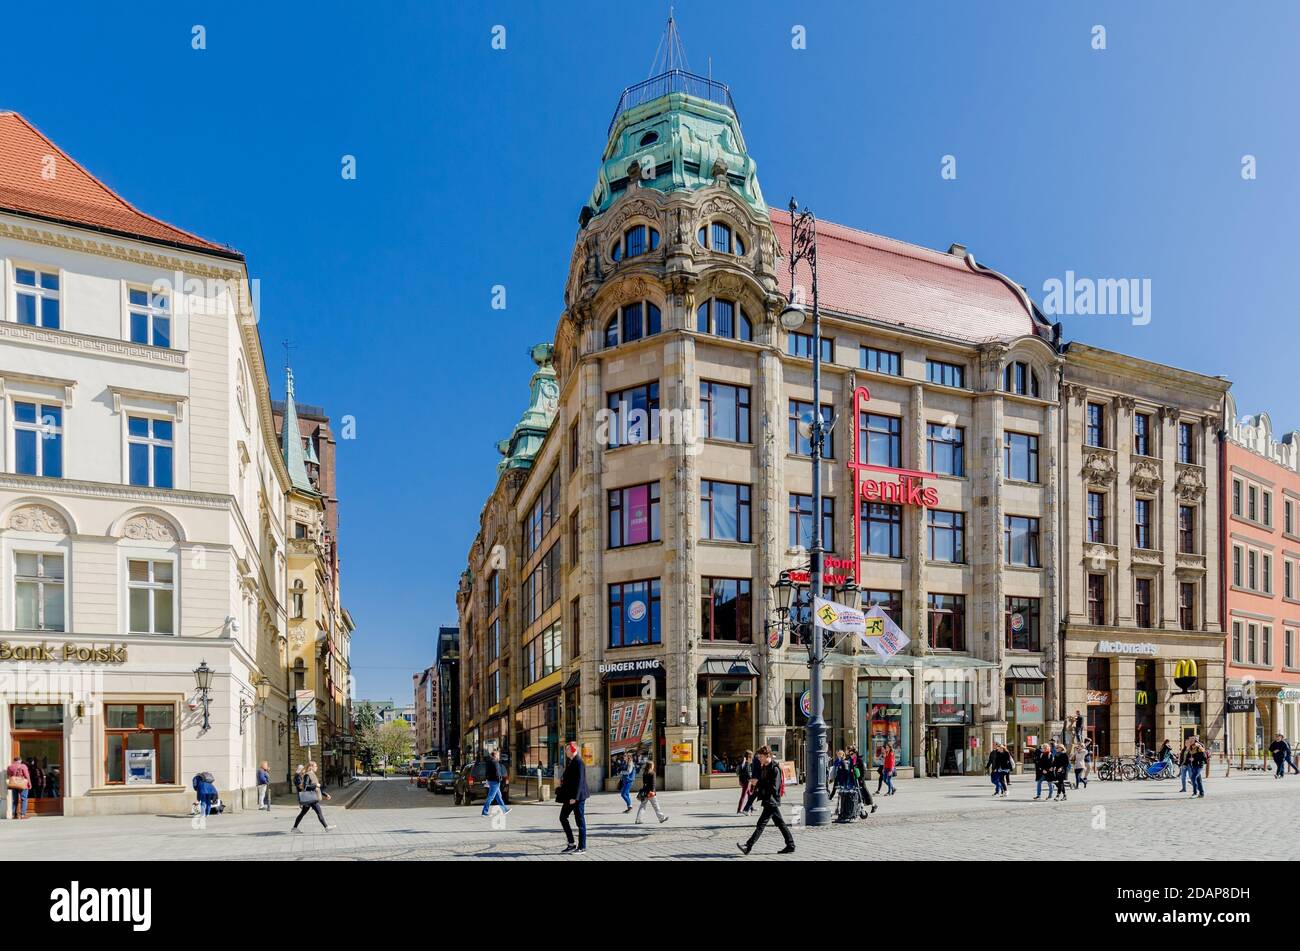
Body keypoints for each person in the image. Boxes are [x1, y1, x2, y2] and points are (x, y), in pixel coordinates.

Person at [737, 746, 794, 855]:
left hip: (772, 801)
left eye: (761, 757)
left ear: (767, 756)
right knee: (780, 823)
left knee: (761, 823)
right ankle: (790, 845)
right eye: (759, 757)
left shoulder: (775, 768)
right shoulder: (765, 767)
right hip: (768, 800)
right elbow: (764, 783)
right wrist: (756, 785)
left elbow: (774, 788)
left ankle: (748, 846)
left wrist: (758, 783)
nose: (759, 759)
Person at [556, 741, 589, 854]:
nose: (565, 751)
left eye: (567, 749)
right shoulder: (571, 761)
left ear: (573, 750)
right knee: (563, 817)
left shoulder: (579, 762)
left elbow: (580, 781)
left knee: (580, 821)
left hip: (577, 797)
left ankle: (582, 847)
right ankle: (571, 844)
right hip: (570, 797)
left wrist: (575, 797)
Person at [291, 761, 333, 831]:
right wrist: (315, 785)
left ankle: (294, 827)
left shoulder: (312, 774)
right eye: (315, 766)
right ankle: (326, 827)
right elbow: (306, 786)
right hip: (311, 797)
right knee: (319, 812)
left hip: (311, 797)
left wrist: (325, 794)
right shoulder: (307, 775)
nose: (317, 767)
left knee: (302, 813)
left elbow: (318, 788)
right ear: (311, 767)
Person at [481, 749, 509, 817]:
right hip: (495, 781)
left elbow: (487, 772)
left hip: (491, 780)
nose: (499, 756)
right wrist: (499, 779)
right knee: (490, 797)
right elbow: (497, 772)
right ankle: (484, 812)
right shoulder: (495, 762)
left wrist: (488, 778)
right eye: (498, 755)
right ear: (496, 755)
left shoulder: (489, 762)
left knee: (499, 797)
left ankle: (504, 809)